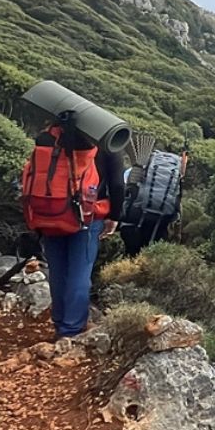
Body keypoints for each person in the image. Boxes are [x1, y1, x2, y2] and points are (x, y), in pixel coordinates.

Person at [35, 125, 125, 339]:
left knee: (57, 270)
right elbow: (117, 185)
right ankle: (71, 329)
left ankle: (59, 321)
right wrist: (115, 216)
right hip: (88, 216)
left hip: (51, 212)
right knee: (80, 272)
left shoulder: (47, 135)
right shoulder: (106, 140)